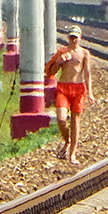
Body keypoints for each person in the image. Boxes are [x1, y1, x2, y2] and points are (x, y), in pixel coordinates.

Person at [45, 24, 94, 166]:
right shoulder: (62, 52)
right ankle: (67, 140)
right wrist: (59, 61)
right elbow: (51, 72)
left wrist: (90, 92)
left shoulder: (84, 53)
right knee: (61, 118)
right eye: (71, 37)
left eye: (76, 38)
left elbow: (87, 73)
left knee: (75, 121)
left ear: (80, 38)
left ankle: (72, 154)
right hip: (63, 88)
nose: (73, 40)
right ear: (68, 38)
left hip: (78, 89)